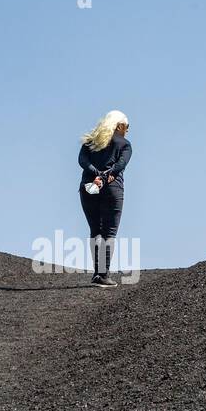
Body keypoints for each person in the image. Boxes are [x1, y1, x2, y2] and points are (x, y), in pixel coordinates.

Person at [77, 109, 132, 287]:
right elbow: (120, 165)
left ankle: (97, 274)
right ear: (119, 125)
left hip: (88, 187)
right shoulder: (124, 144)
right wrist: (106, 174)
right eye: (127, 126)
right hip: (112, 189)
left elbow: (82, 161)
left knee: (95, 230)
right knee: (109, 232)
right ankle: (103, 274)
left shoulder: (89, 142)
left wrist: (96, 173)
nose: (128, 130)